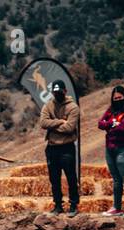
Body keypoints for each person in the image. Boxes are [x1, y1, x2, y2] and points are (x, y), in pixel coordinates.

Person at [40, 80, 80, 216]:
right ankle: (58, 205)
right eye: (55, 92)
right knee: (54, 179)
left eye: (60, 92)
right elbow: (43, 122)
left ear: (65, 91)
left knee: (71, 177)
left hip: (67, 147)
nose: (57, 94)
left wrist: (53, 126)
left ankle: (74, 205)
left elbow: (70, 127)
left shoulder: (73, 107)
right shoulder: (48, 105)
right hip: (51, 147)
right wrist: (60, 121)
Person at [98, 85, 124, 218]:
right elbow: (100, 124)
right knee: (116, 179)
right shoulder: (111, 110)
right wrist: (112, 123)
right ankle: (116, 206)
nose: (117, 100)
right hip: (110, 148)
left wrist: (110, 125)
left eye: (120, 97)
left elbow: (123, 128)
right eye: (115, 98)